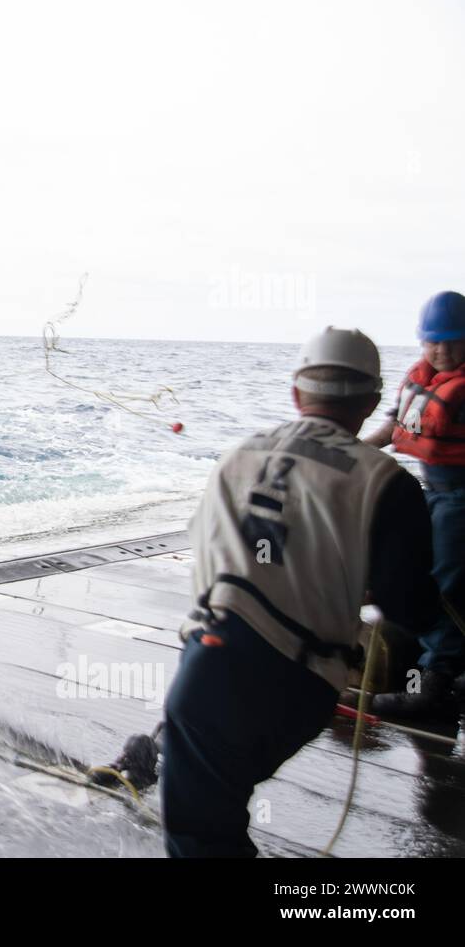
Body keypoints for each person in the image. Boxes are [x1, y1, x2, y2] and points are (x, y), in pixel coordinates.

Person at [162, 327, 442, 857]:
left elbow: (209, 547)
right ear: (372, 402)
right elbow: (410, 607)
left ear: (296, 393)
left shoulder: (237, 454)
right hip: (305, 688)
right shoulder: (386, 481)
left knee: (201, 835)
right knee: (219, 819)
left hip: (215, 669)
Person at [361, 291, 465, 718]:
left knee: (443, 584)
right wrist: (346, 450)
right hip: (432, 492)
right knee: (404, 560)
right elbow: (394, 425)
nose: (442, 350)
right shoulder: (423, 380)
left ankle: (433, 684)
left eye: (454, 341)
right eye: (433, 342)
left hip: (459, 499)